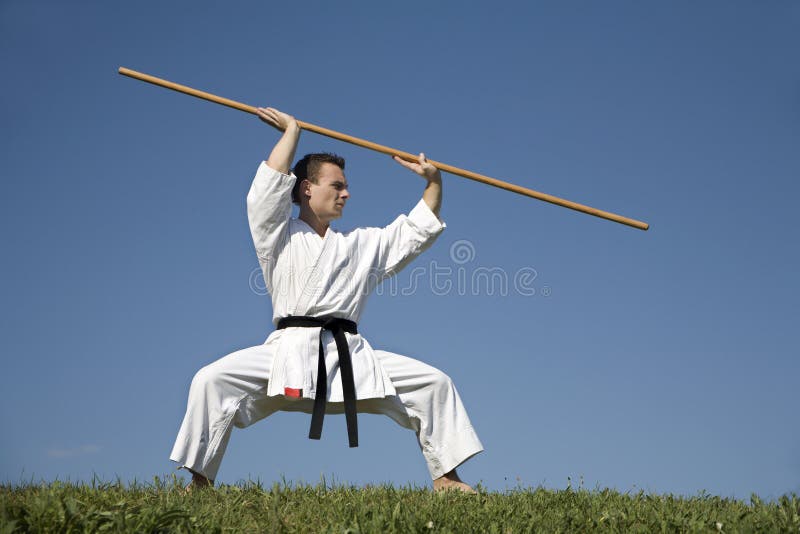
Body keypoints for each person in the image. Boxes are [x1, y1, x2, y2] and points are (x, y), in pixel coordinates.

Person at [169, 107, 483, 492]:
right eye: (337, 185)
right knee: (211, 380)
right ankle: (200, 481)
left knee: (434, 383)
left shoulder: (361, 245)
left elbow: (414, 231)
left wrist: (434, 182)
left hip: (351, 355)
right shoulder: (277, 237)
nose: (347, 193)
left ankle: (446, 480)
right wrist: (291, 133)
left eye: (346, 186)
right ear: (306, 189)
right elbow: (265, 194)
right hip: (287, 353)